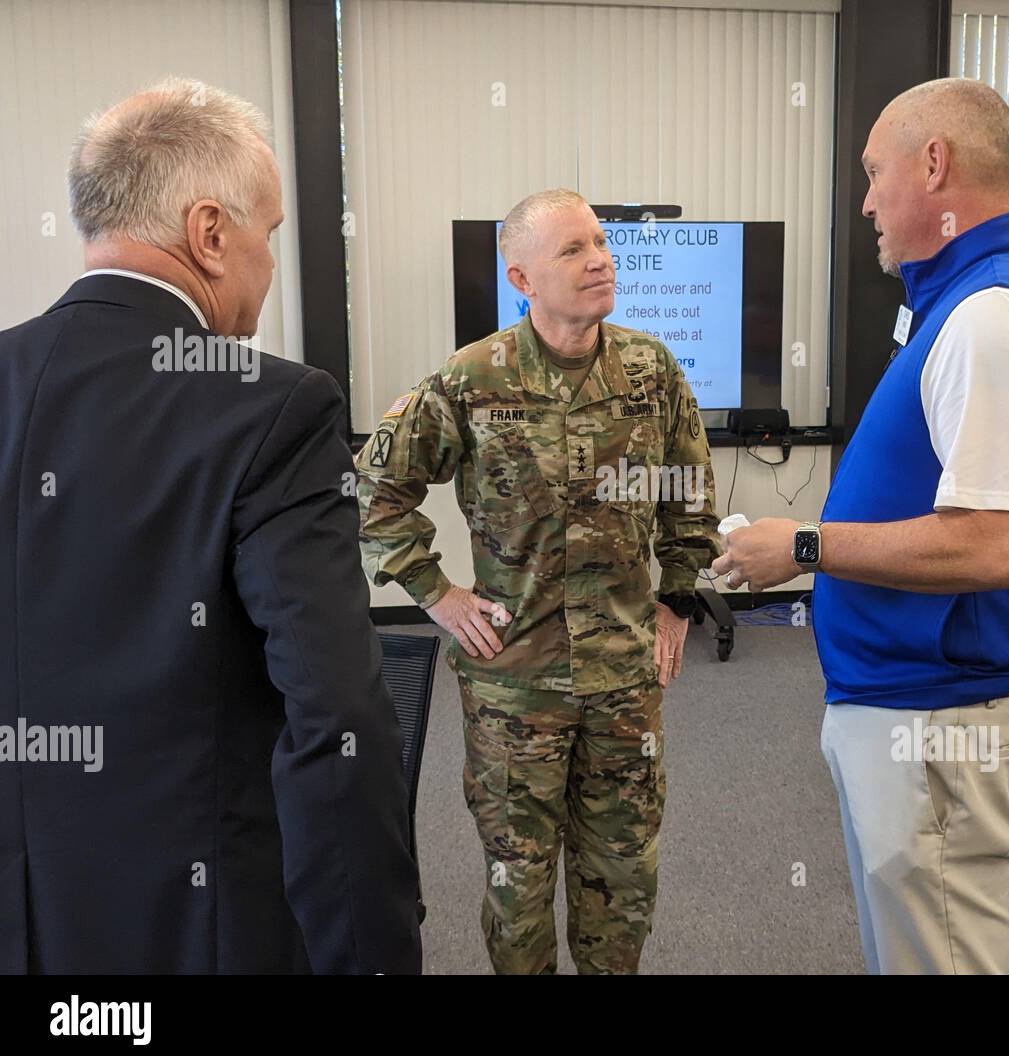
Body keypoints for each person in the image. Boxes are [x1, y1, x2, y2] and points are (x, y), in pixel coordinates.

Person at [0, 78, 422, 974]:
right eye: (270, 233)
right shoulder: (273, 410)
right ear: (210, 233)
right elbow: (336, 717)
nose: (269, 263)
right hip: (196, 926)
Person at [713, 78, 1009, 974]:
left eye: (874, 173)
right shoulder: (964, 302)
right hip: (914, 712)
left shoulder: (993, 317)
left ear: (933, 164)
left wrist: (802, 545)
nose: (867, 202)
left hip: (941, 723)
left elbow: (999, 545)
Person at [356, 188, 719, 974]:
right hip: (514, 685)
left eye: (601, 242)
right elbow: (376, 489)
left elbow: (690, 492)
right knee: (518, 884)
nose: (600, 260)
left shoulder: (652, 371)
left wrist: (679, 597)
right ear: (521, 277)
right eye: (573, 249)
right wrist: (436, 592)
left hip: (624, 681)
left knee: (623, 877)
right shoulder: (471, 379)